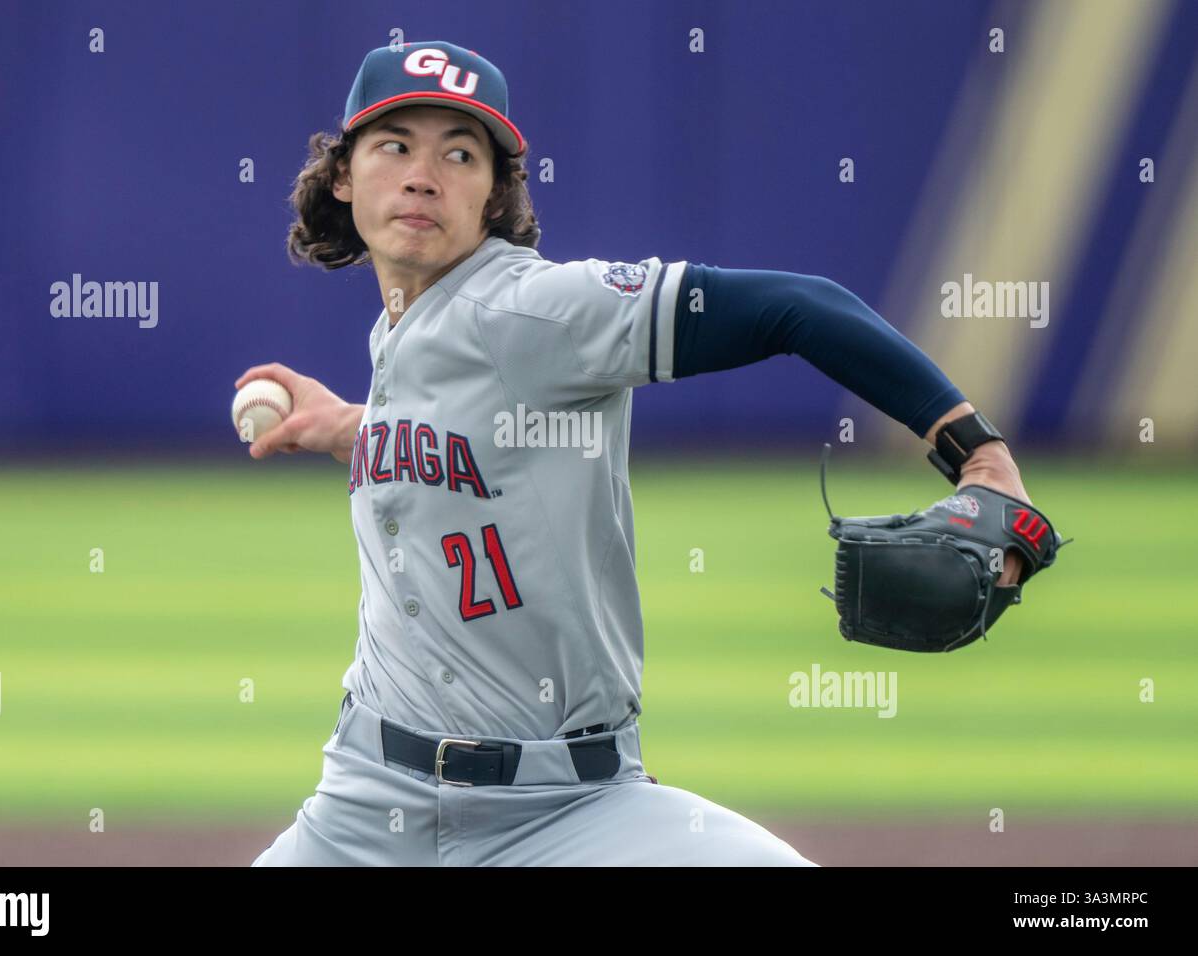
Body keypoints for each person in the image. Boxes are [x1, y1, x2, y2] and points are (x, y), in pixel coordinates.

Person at [240, 41, 1031, 866]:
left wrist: (976, 452)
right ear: (343, 175)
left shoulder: (536, 308)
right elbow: (471, 432)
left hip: (568, 811)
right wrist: (353, 428)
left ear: (495, 195)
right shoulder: (403, 327)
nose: (423, 173)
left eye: (461, 153)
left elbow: (799, 307)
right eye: (395, 145)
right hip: (365, 804)